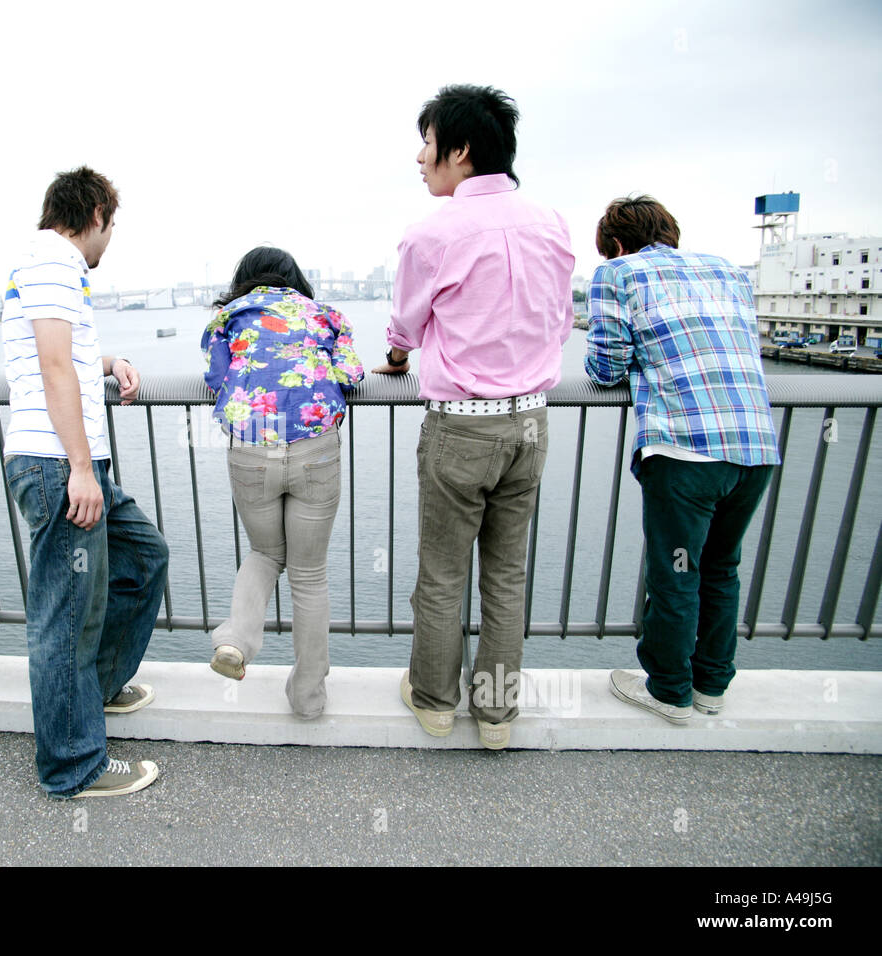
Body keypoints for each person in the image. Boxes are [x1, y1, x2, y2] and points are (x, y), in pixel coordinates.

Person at [374, 84, 575, 749]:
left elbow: (405, 323)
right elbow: (560, 318)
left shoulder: (434, 232)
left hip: (461, 424)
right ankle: (495, 716)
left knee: (442, 574)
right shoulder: (551, 223)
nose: (419, 158)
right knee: (507, 576)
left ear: (459, 150)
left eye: (427, 144)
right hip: (531, 423)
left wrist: (398, 357)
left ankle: (435, 702)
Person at [2, 167, 169, 799]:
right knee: (65, 616)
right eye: (112, 225)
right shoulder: (52, 259)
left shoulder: (52, 268)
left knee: (145, 554)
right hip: (57, 464)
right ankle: (73, 765)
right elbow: (50, 365)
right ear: (95, 213)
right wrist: (77, 467)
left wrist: (111, 362)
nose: (110, 240)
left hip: (73, 462)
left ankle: (92, 694)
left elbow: (64, 354)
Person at [584, 196, 780, 722]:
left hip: (685, 446)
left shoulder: (617, 273)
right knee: (721, 567)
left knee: (676, 569)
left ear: (616, 244)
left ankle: (669, 690)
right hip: (755, 445)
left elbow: (606, 367)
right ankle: (712, 685)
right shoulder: (728, 270)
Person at [201, 247, 364, 718]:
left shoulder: (227, 317)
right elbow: (349, 374)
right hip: (315, 444)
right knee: (309, 575)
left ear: (243, 279)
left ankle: (235, 640)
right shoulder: (326, 315)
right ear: (296, 278)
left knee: (266, 553)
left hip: (251, 448)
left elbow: (216, 378)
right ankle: (309, 699)